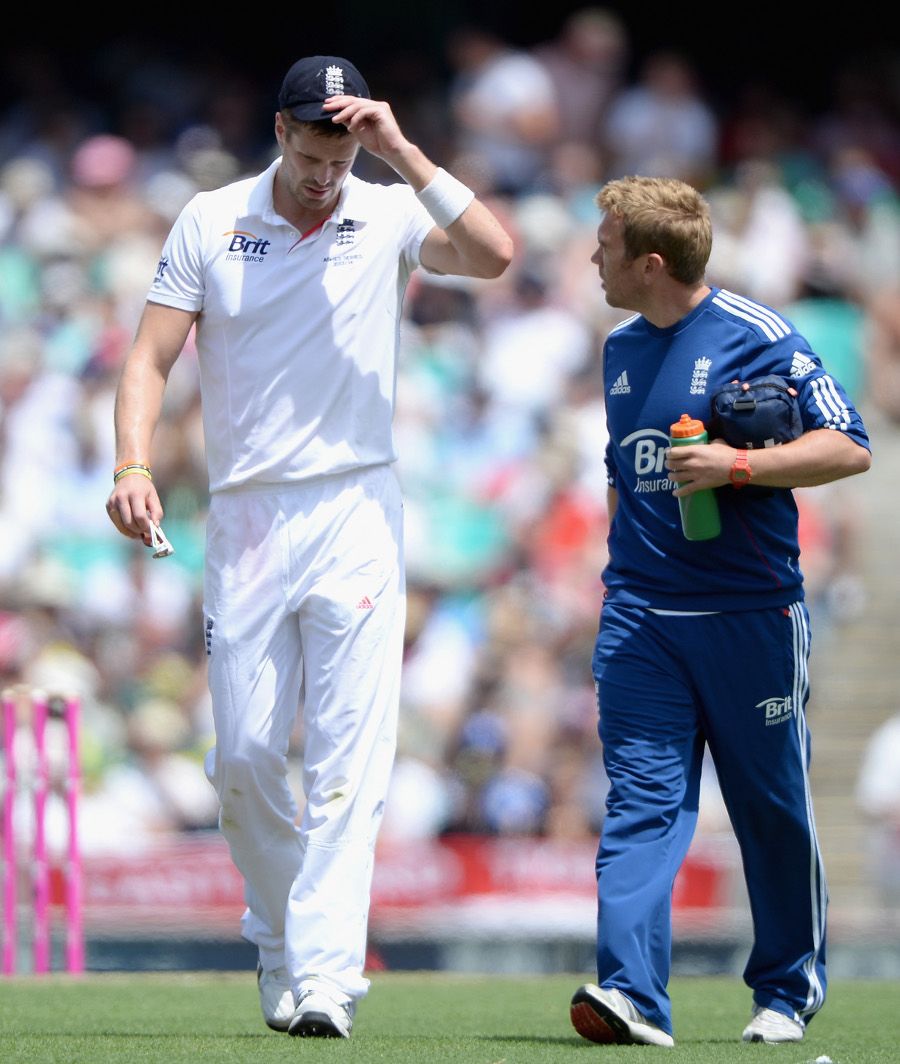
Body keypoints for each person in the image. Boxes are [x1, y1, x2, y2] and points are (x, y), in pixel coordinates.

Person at [105, 55, 512, 1039]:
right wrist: (132, 463)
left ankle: (327, 976)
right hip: (246, 514)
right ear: (281, 132)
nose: (328, 176)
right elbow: (150, 356)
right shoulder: (212, 219)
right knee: (244, 761)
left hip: (357, 505)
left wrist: (401, 150)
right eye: (313, 154)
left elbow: (493, 254)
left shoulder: (387, 206)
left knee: (346, 759)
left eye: (342, 157)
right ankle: (283, 937)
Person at [569, 175, 871, 1048]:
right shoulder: (620, 347)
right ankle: (631, 994)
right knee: (641, 802)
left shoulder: (759, 334)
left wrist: (737, 466)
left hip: (750, 617)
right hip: (641, 619)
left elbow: (849, 445)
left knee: (769, 806)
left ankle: (786, 990)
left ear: (651, 264)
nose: (591, 258)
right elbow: (626, 470)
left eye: (606, 246)